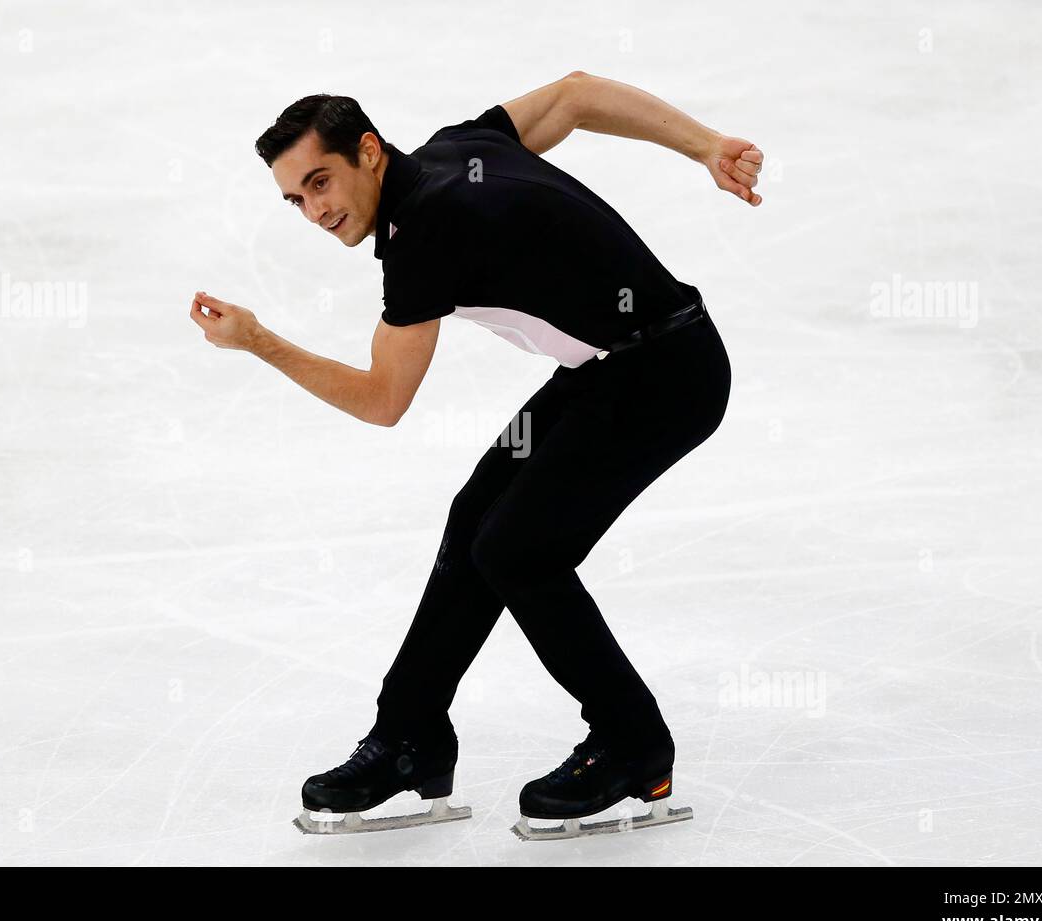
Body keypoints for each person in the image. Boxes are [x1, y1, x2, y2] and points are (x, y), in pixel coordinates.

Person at [188, 71, 763, 838]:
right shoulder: (457, 149)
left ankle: (633, 744)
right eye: (296, 199)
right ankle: (409, 737)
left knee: (518, 552)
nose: (316, 211)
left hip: (666, 375)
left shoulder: (424, 233)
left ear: (367, 152)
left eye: (320, 182)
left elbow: (382, 401)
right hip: (610, 368)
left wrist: (258, 342)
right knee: (477, 521)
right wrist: (706, 146)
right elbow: (577, 95)